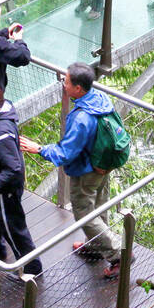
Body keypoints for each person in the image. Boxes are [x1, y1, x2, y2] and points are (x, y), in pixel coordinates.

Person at [19, 62, 122, 278]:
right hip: (102, 164)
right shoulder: (99, 99)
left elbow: (66, 152)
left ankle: (117, 255)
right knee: (99, 206)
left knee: (84, 213)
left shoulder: (82, 118)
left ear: (78, 88)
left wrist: (39, 149)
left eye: (66, 82)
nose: (63, 85)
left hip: (86, 170)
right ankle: (95, 246)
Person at [0, 82, 41, 279]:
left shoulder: (0, 134)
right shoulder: (0, 112)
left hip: (5, 189)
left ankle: (32, 268)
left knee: (12, 226)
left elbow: (14, 169)